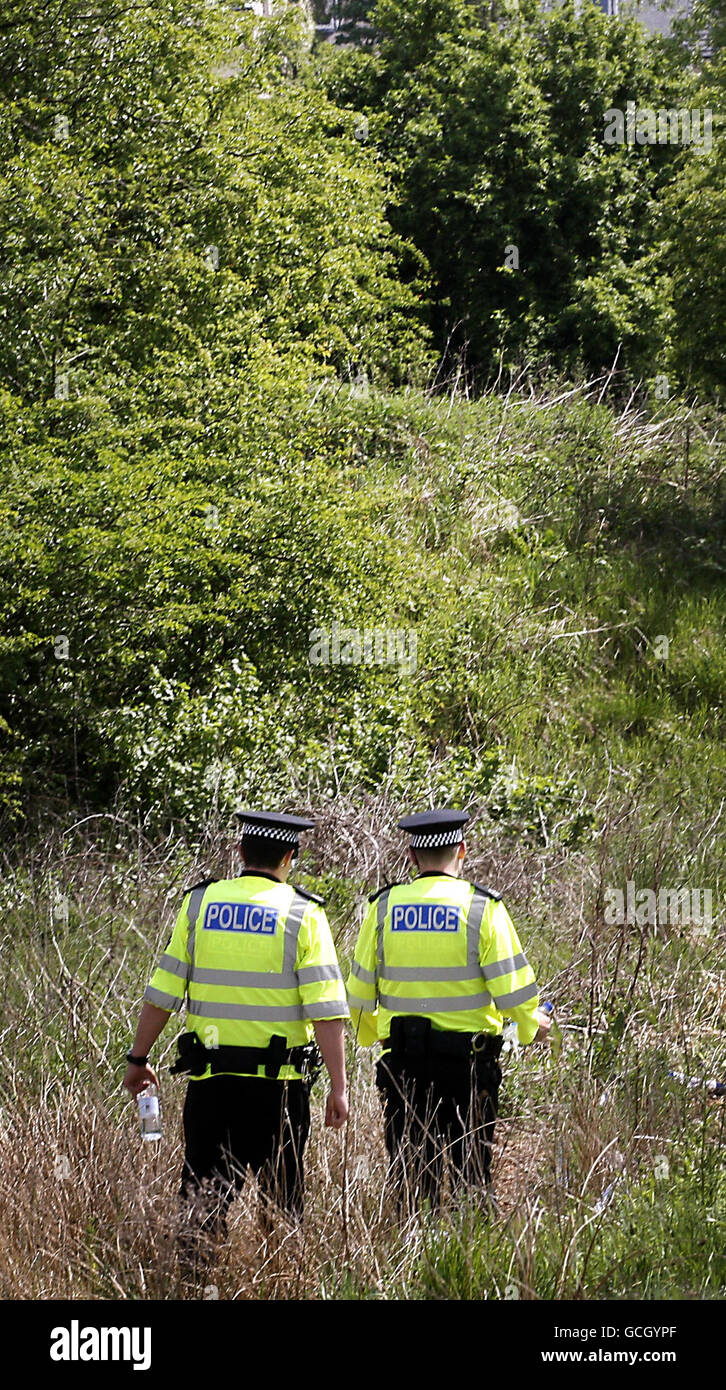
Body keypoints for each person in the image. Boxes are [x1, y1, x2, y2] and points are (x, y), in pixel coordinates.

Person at [124, 810, 349, 1263]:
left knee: (201, 1203)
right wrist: (340, 1087)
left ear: (240, 852)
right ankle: (279, 1286)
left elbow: (164, 990)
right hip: (279, 1089)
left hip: (211, 1086)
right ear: (290, 856)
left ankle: (191, 1287)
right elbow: (325, 1011)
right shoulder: (304, 913)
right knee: (282, 1207)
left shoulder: (200, 904)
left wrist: (138, 1057)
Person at [345, 808, 551, 1214]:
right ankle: (467, 1266)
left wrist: (374, 1034)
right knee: (470, 1178)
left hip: (403, 1066)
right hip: (468, 1069)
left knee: (410, 1178)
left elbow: (358, 993)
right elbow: (513, 991)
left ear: (411, 856)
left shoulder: (383, 909)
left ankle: (406, 1264)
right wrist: (532, 1026)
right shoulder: (483, 908)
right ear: (462, 850)